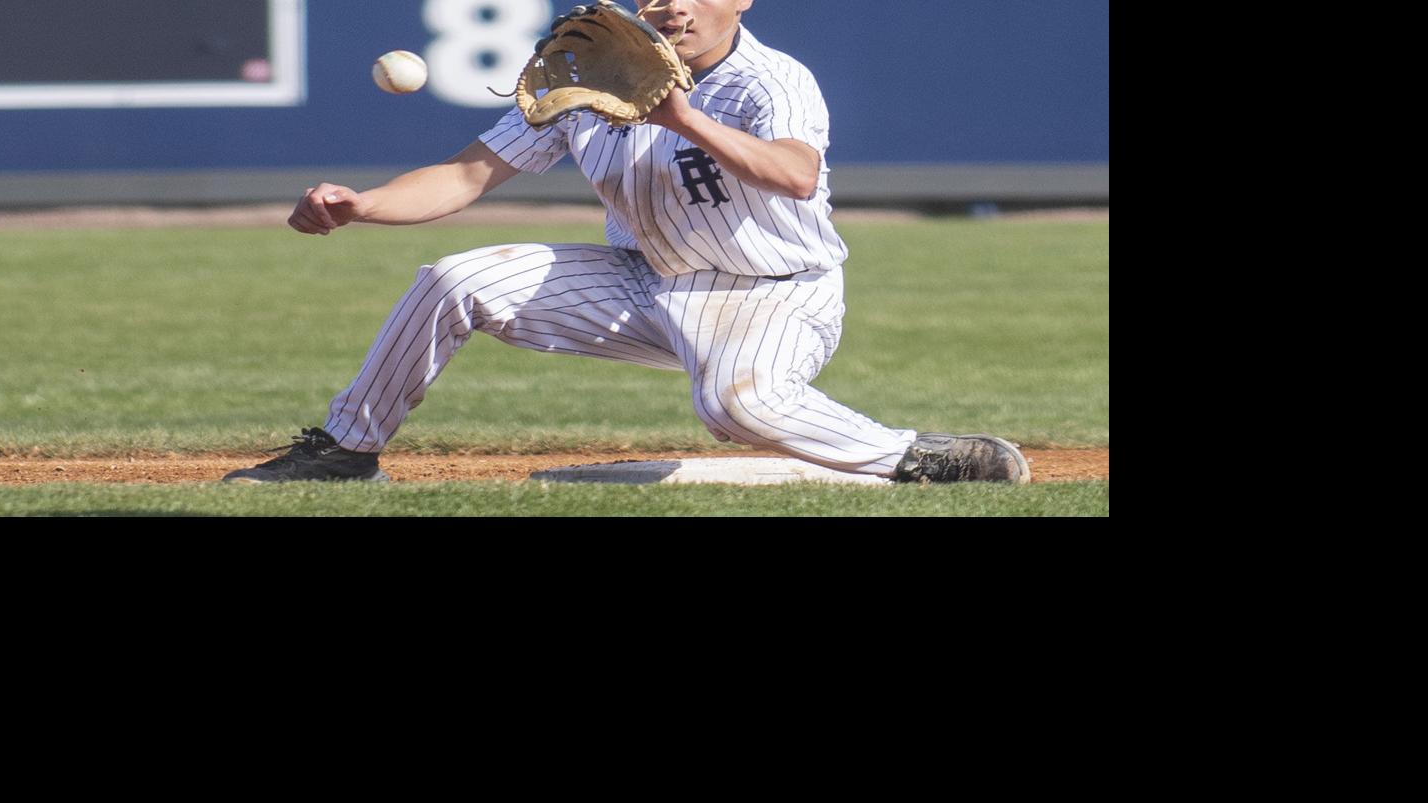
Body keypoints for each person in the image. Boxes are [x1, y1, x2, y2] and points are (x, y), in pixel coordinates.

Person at [223, 0, 1029, 485]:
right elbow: (468, 175)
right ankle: (347, 449)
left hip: (773, 292)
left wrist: (683, 118)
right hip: (643, 284)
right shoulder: (593, 74)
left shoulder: (772, 81)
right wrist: (360, 205)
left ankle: (921, 458)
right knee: (455, 279)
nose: (672, 6)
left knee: (736, 404)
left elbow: (790, 173)